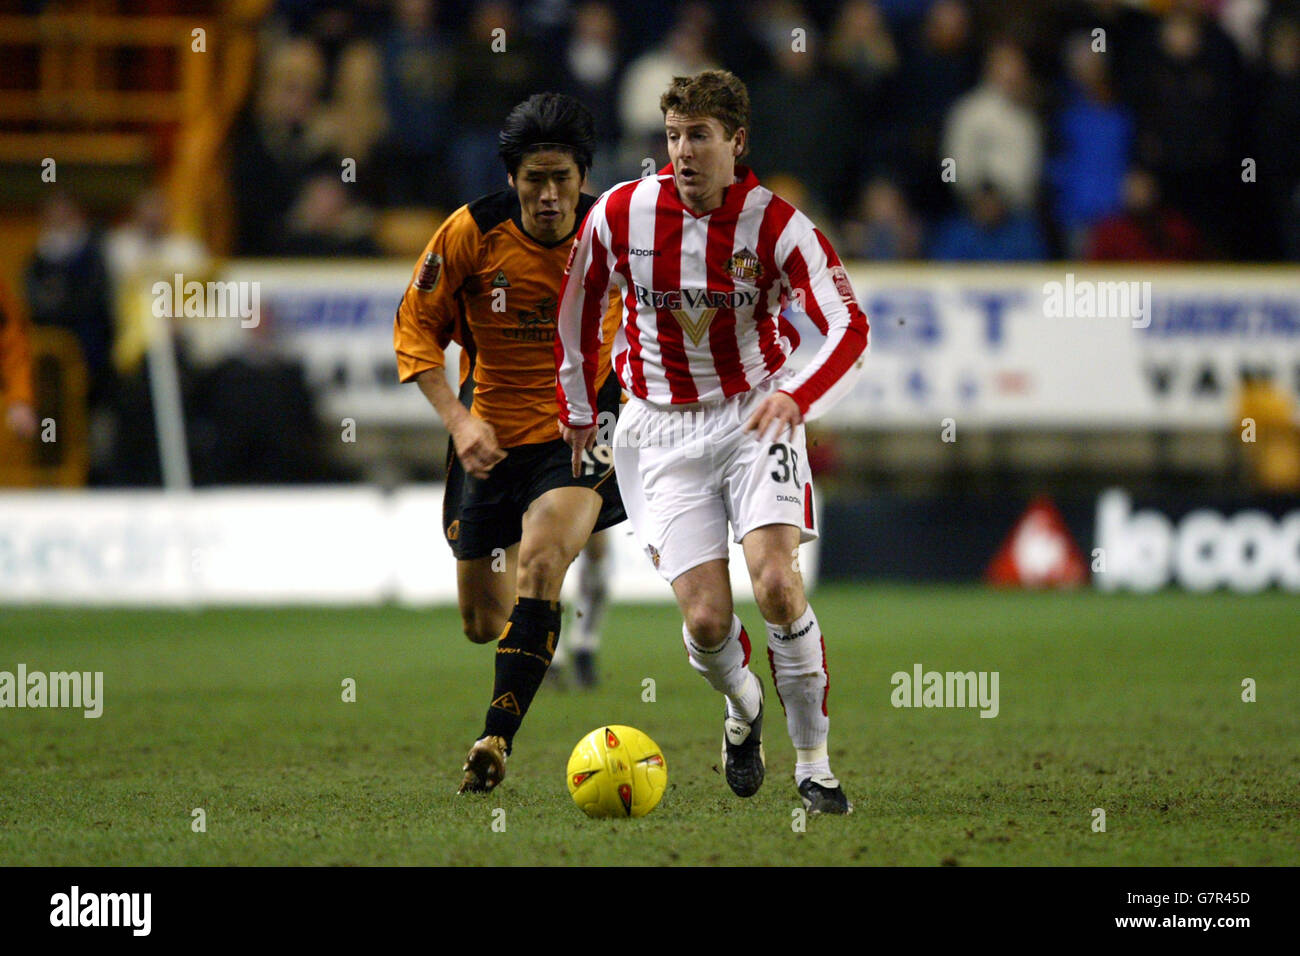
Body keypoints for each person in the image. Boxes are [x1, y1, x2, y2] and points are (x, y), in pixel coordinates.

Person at [556, 70, 868, 814]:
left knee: (777, 584)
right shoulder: (622, 214)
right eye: (673, 136)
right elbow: (579, 303)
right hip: (657, 430)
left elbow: (849, 327)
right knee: (705, 620)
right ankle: (742, 705)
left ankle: (814, 766)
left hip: (755, 413)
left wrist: (796, 395)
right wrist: (573, 401)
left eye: (699, 136)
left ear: (737, 141)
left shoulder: (779, 227)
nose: (684, 152)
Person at [393, 92, 624, 794]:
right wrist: (460, 424)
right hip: (488, 430)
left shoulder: (615, 234)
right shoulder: (470, 233)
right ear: (513, 180)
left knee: (544, 565)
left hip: (578, 427)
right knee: (481, 620)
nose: (549, 196)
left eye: (562, 179)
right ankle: (534, 620)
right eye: (534, 180)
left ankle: (496, 739)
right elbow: (413, 334)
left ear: (583, 176)